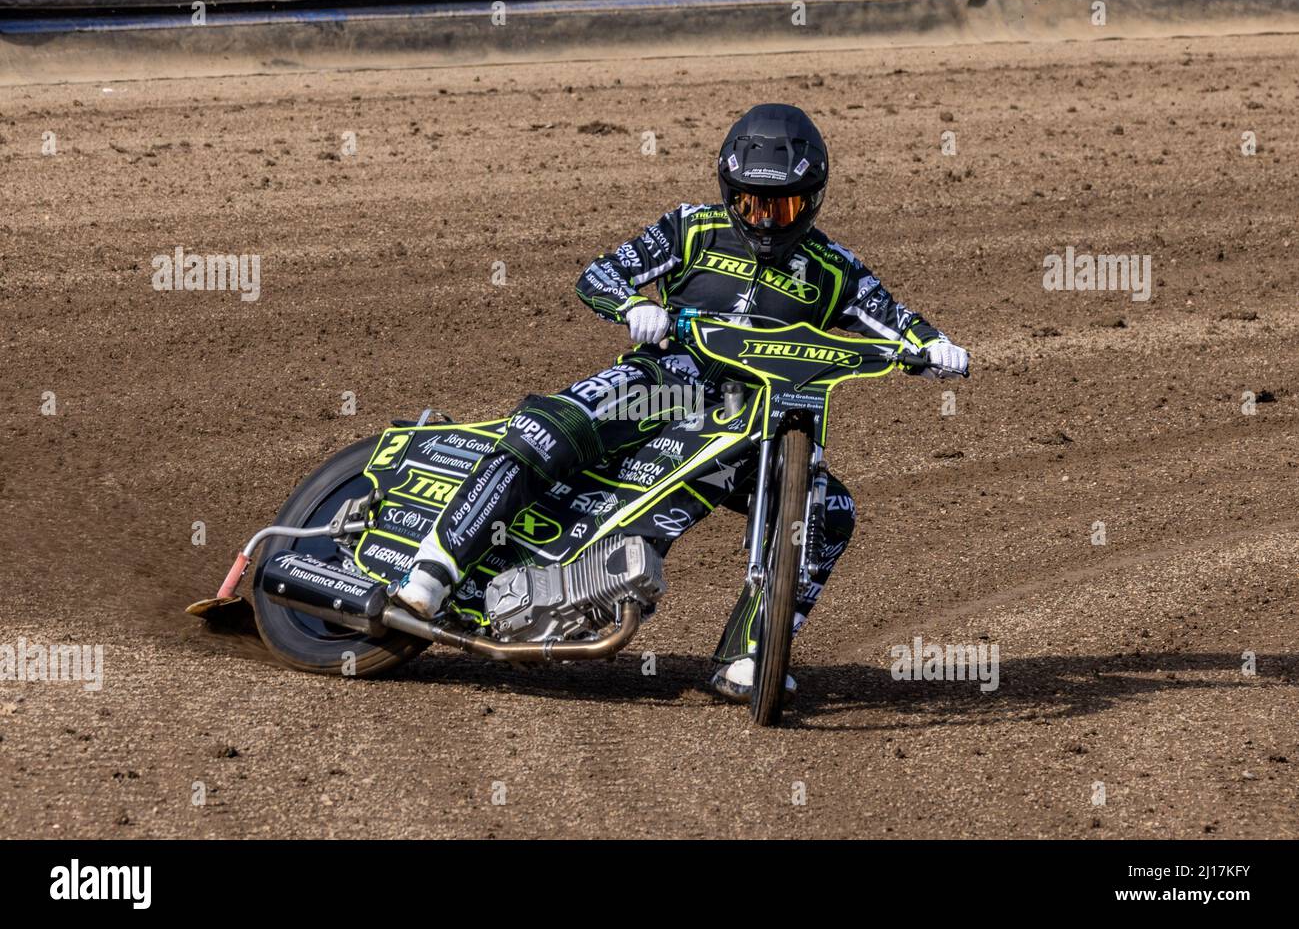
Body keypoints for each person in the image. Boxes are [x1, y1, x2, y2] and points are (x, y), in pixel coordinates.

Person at [396, 103, 969, 701]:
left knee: (832, 513)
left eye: (784, 205)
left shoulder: (834, 269)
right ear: (728, 192)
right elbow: (601, 273)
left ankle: (751, 653)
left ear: (813, 199)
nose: (766, 220)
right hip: (664, 380)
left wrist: (935, 346)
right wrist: (631, 306)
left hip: (751, 421)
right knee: (549, 428)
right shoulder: (690, 228)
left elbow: (897, 320)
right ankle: (434, 572)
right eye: (750, 203)